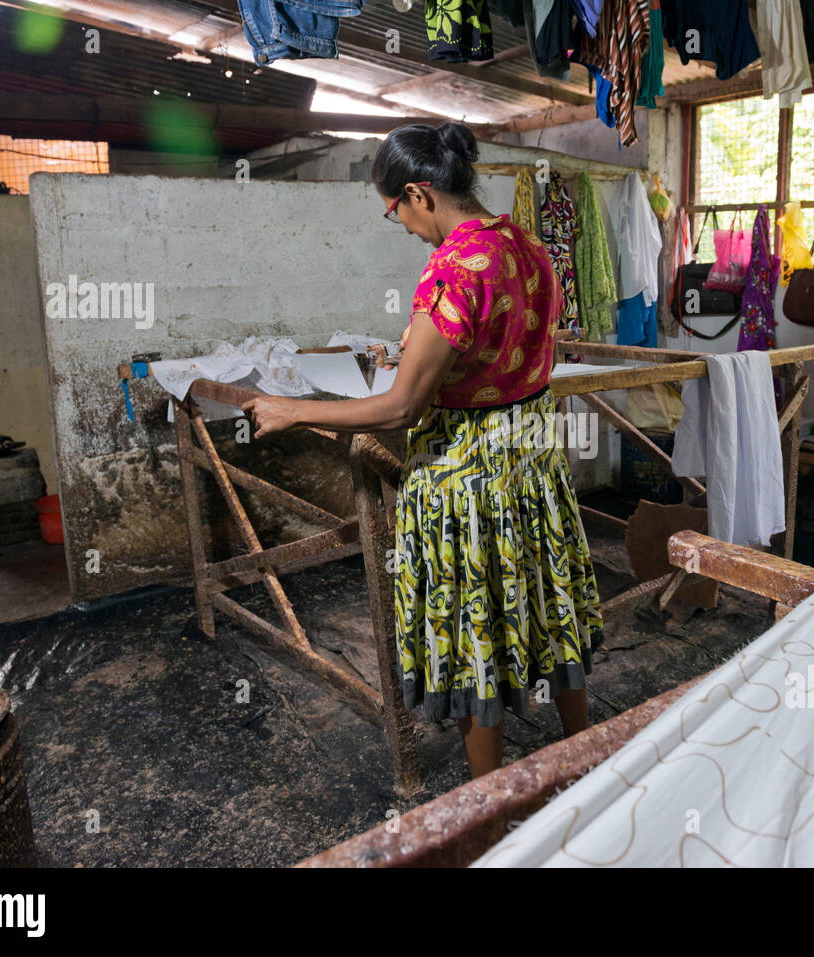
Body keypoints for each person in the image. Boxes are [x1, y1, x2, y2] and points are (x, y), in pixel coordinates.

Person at [243, 122, 604, 778]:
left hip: (471, 484)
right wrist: (413, 350)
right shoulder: (529, 247)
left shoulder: (452, 268)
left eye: (396, 212)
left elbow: (402, 407)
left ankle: (487, 808)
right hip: (533, 465)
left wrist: (291, 409)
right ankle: (583, 753)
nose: (404, 226)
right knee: (548, 608)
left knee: (476, 640)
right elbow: (494, 351)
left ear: (419, 193)